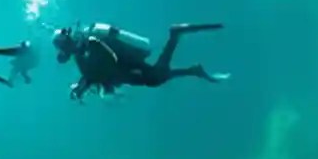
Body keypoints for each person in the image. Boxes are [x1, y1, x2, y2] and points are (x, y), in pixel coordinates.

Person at [52, 22, 230, 101]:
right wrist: (81, 87)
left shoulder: (90, 43)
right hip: (124, 71)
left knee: (155, 78)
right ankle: (193, 70)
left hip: (126, 64)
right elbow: (91, 74)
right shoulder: (81, 54)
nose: (65, 52)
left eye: (64, 47)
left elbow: (108, 59)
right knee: (155, 79)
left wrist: (91, 82)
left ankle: (174, 35)